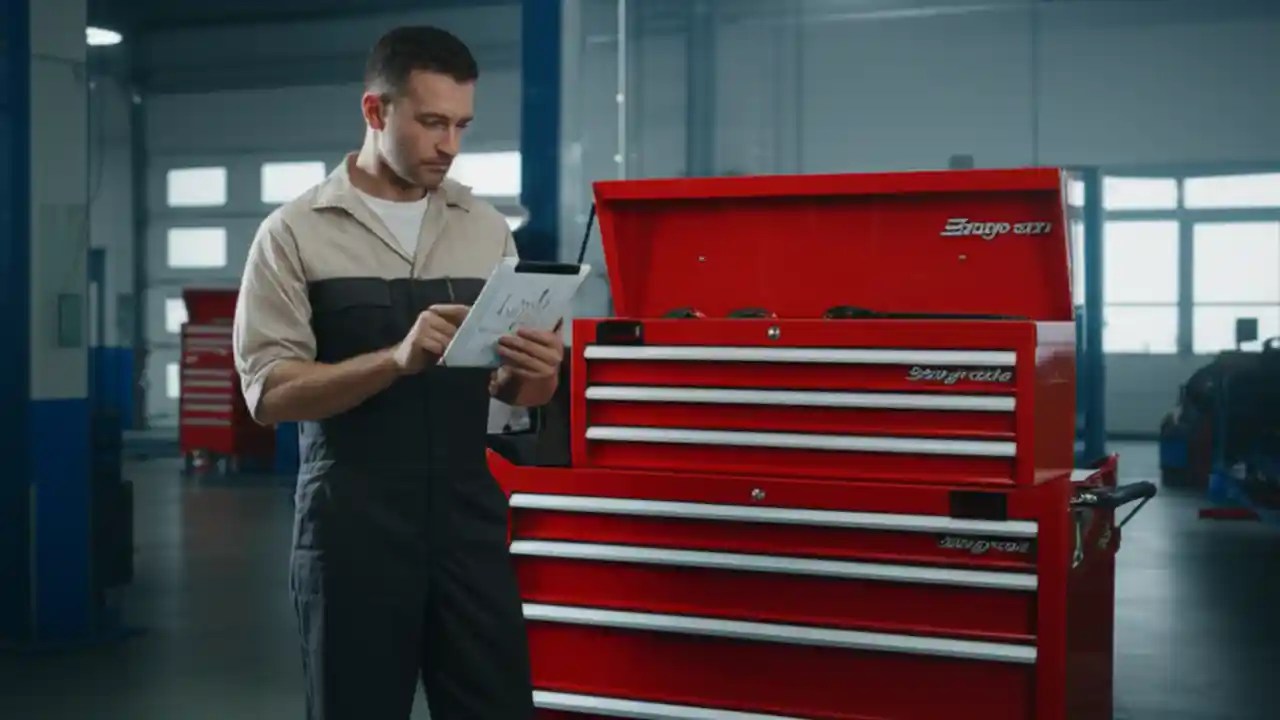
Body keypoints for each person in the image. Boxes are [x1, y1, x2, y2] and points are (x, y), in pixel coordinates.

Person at [232, 25, 560, 720]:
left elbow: (510, 396)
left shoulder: (486, 229)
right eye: (432, 122)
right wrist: (396, 360)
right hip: (353, 530)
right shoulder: (295, 233)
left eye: (463, 124)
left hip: (469, 526)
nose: (451, 144)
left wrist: (537, 378)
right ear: (376, 112)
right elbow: (270, 394)